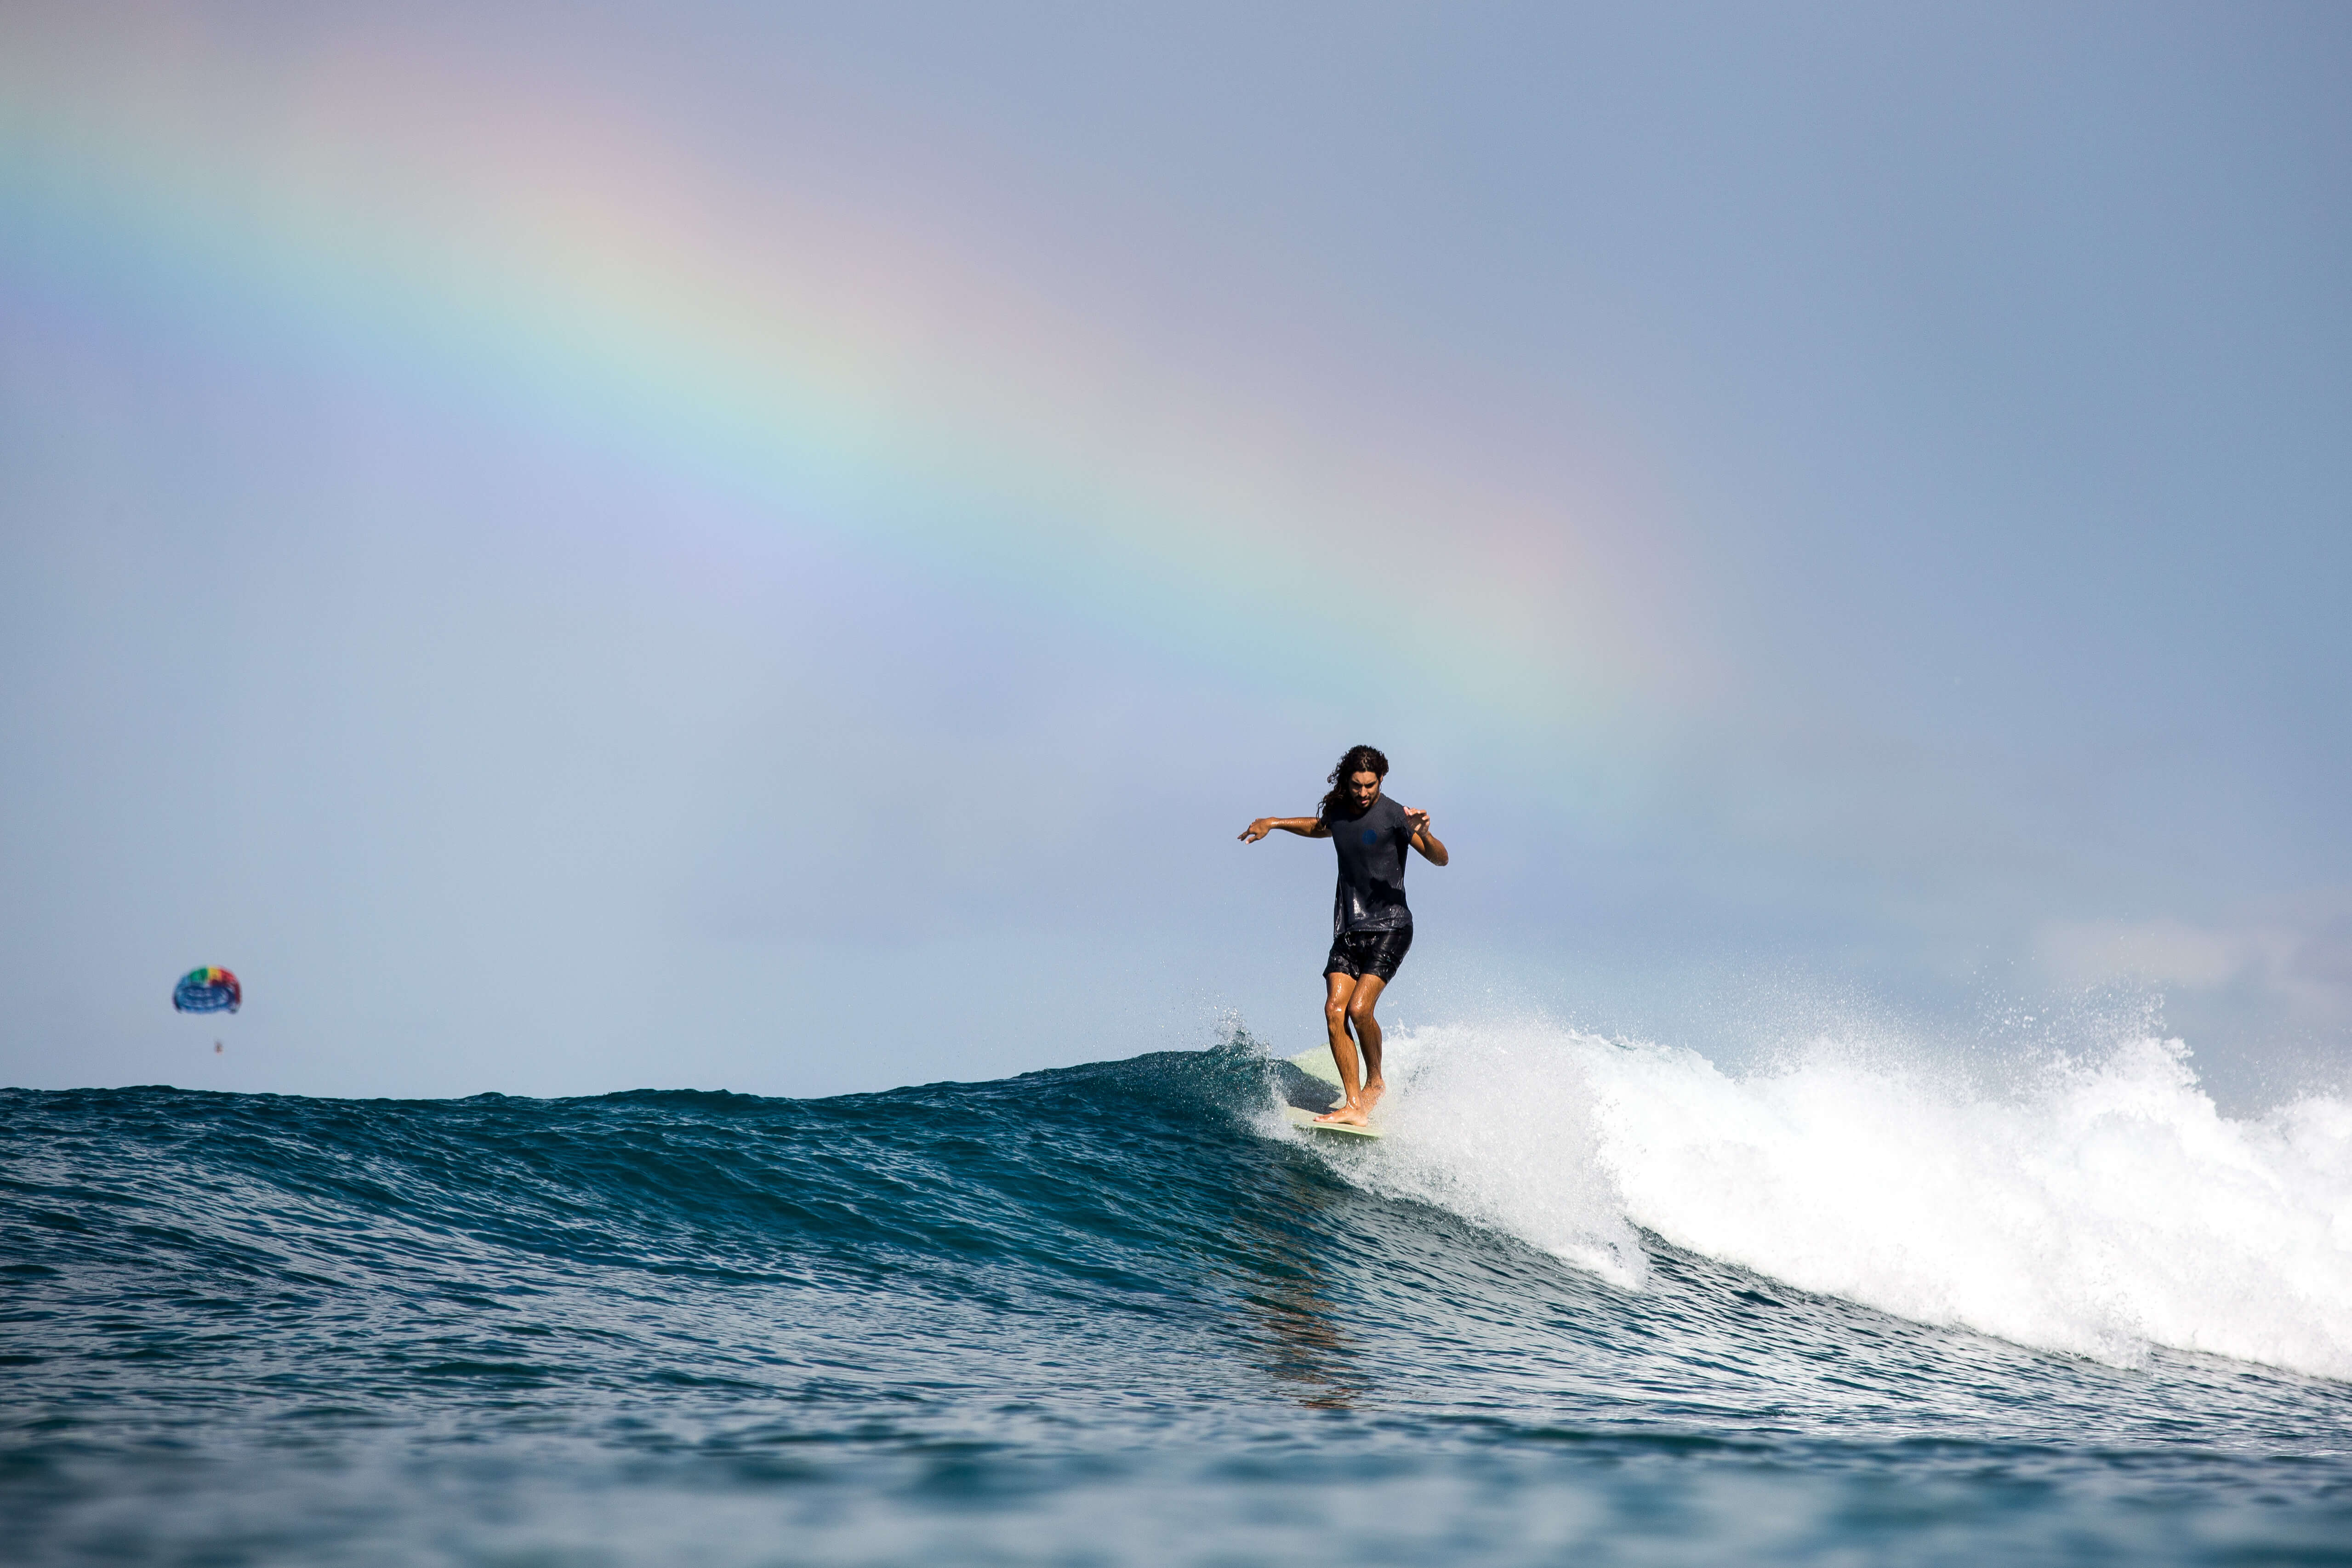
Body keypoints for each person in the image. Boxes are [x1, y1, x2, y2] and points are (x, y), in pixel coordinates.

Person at [1238, 745, 1448, 1125]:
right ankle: (1354, 1103)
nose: (1364, 793)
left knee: (1359, 1009)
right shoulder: (1339, 810)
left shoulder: (1396, 816)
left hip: (1391, 926)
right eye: (1356, 785)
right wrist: (1272, 821)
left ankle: (1376, 1083)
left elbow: (1440, 858)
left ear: (1381, 780)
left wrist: (1424, 834)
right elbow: (1320, 827)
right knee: (1335, 1012)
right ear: (1346, 781)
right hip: (1349, 929)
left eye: (1370, 785)